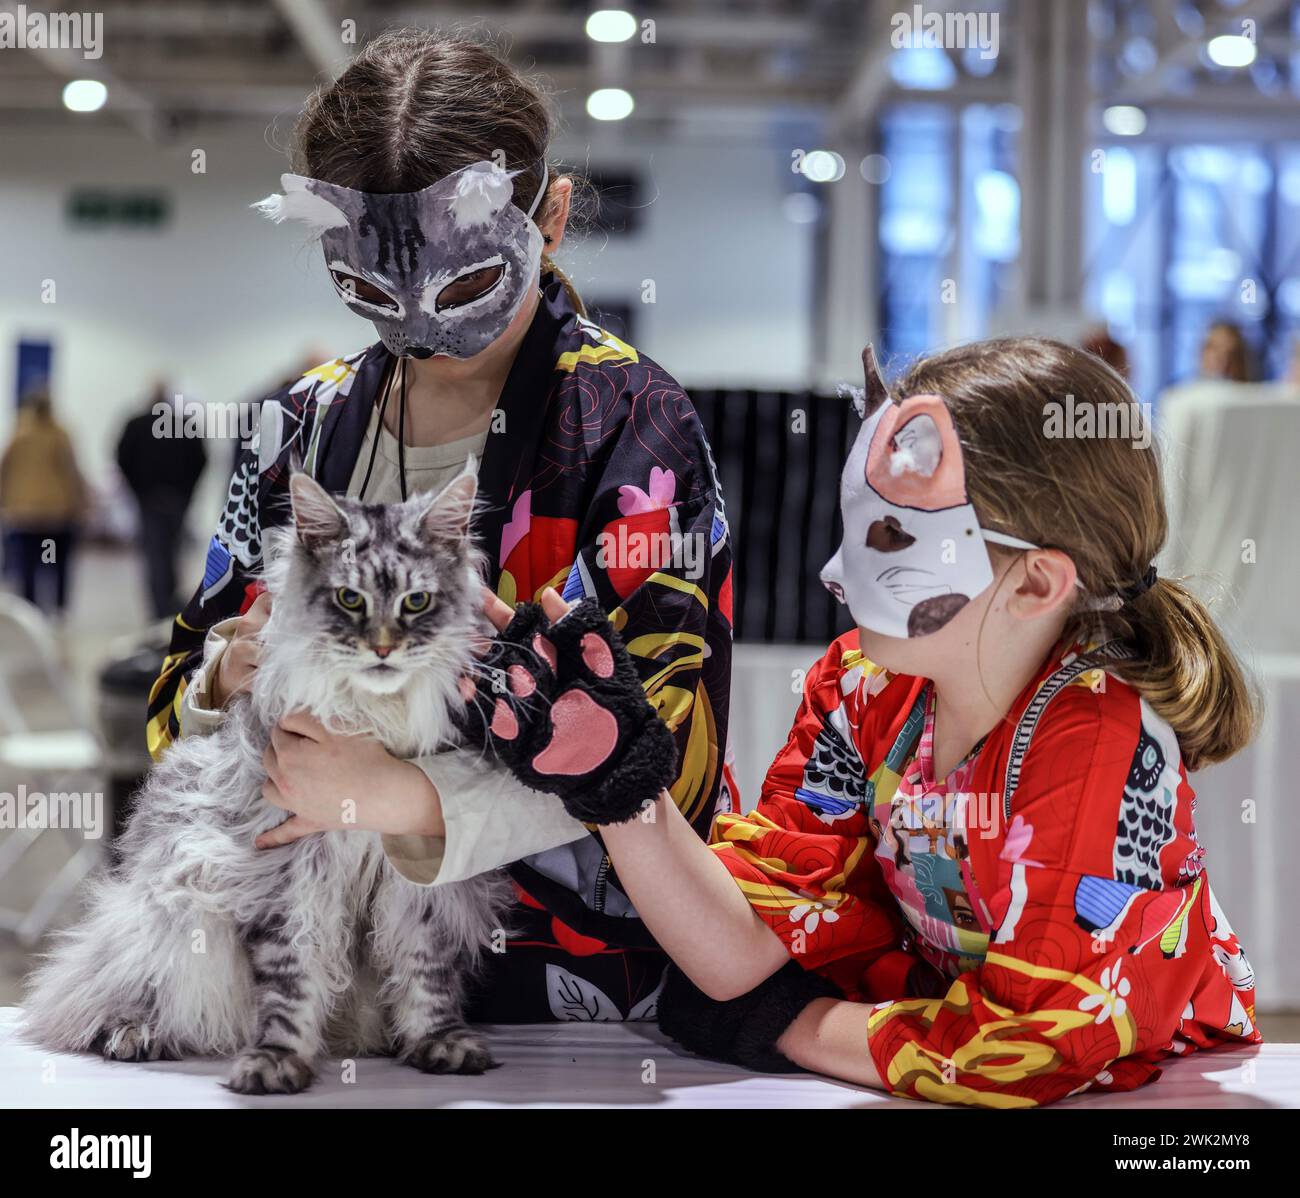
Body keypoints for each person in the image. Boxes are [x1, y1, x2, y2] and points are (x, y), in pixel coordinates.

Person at [470, 338, 1262, 1107]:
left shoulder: (1102, 741)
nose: (834, 571)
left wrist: (797, 1025)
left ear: (1036, 583)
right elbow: (746, 941)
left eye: (889, 537)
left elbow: (1028, 1051)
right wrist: (620, 784)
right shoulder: (862, 686)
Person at [146, 28, 735, 1023]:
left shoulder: (634, 427)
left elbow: (671, 755)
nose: (420, 329)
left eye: (466, 285)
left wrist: (411, 803)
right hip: (295, 990)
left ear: (549, 215)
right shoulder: (297, 428)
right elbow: (173, 700)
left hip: (542, 992)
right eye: (370, 290)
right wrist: (220, 684)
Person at [116, 382, 207, 619]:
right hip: (173, 499)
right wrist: (187, 493)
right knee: (171, 553)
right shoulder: (183, 425)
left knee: (156, 555)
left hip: (153, 499)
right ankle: (167, 605)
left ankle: (161, 607)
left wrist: (139, 490)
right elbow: (201, 459)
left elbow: (122, 457)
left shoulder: (137, 424)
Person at [0, 388, 85, 615]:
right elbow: (72, 471)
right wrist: (81, 502)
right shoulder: (60, 434)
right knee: (54, 562)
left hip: (25, 514)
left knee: (28, 565)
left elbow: (4, 469)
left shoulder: (19, 433)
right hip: (55, 514)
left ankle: (31, 608)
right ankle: (57, 607)